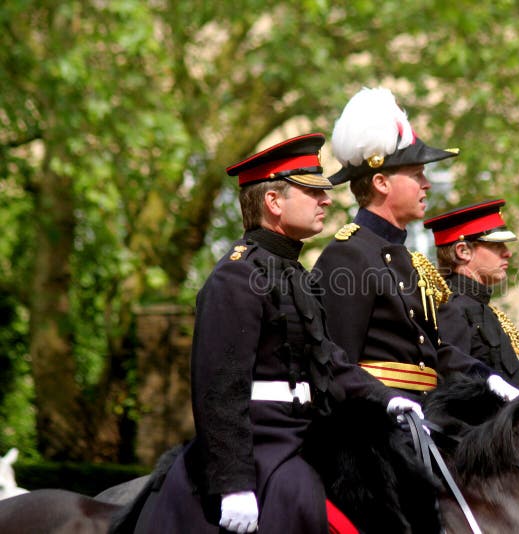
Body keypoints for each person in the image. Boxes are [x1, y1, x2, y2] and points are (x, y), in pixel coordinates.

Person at [132, 133, 422, 534]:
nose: (326, 200)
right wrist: (234, 484)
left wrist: (388, 400)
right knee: (303, 499)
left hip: (303, 432)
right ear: (273, 202)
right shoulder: (236, 276)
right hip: (262, 442)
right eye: (312, 192)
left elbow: (330, 362)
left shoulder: (293, 275)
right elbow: (218, 389)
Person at [313, 87, 519, 404]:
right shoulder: (347, 254)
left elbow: (436, 352)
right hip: (374, 429)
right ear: (382, 183)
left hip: (421, 418)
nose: (426, 184)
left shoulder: (405, 259)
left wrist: (487, 377)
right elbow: (336, 363)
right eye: (417, 174)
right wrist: (386, 404)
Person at [423, 199, 519, 391]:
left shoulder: (483, 308)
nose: (508, 253)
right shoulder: (452, 308)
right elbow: (455, 388)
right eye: (497, 245)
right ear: (463, 251)